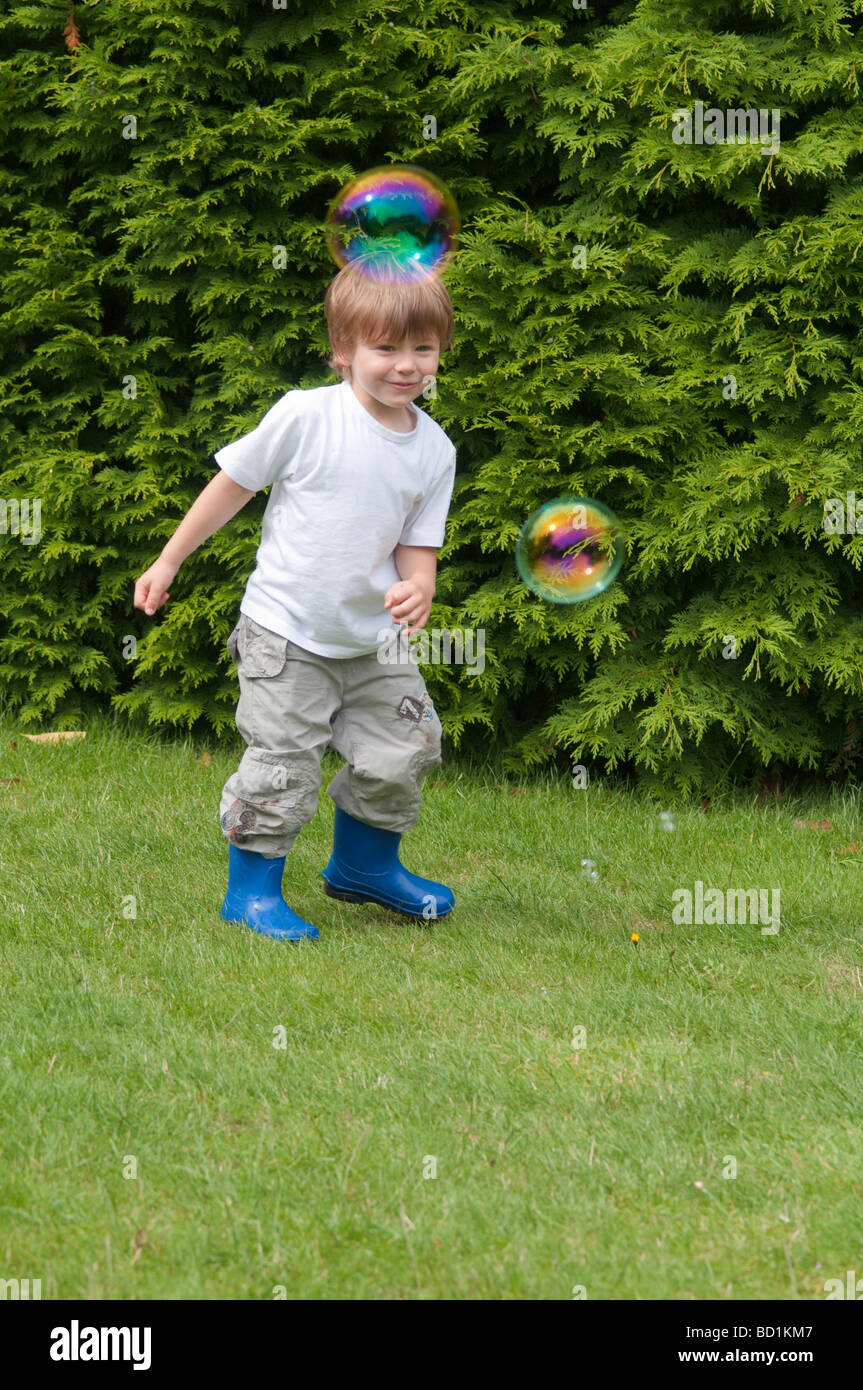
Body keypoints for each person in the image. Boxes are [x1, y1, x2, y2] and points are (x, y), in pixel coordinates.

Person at [133, 265, 458, 943]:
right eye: (386, 349)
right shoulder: (305, 415)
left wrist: (418, 585)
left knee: (408, 744)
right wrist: (170, 558)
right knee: (281, 761)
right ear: (344, 350)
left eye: (422, 349)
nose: (406, 366)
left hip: (373, 643)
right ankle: (249, 893)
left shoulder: (433, 449)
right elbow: (233, 485)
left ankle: (363, 868)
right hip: (284, 635)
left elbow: (417, 542)